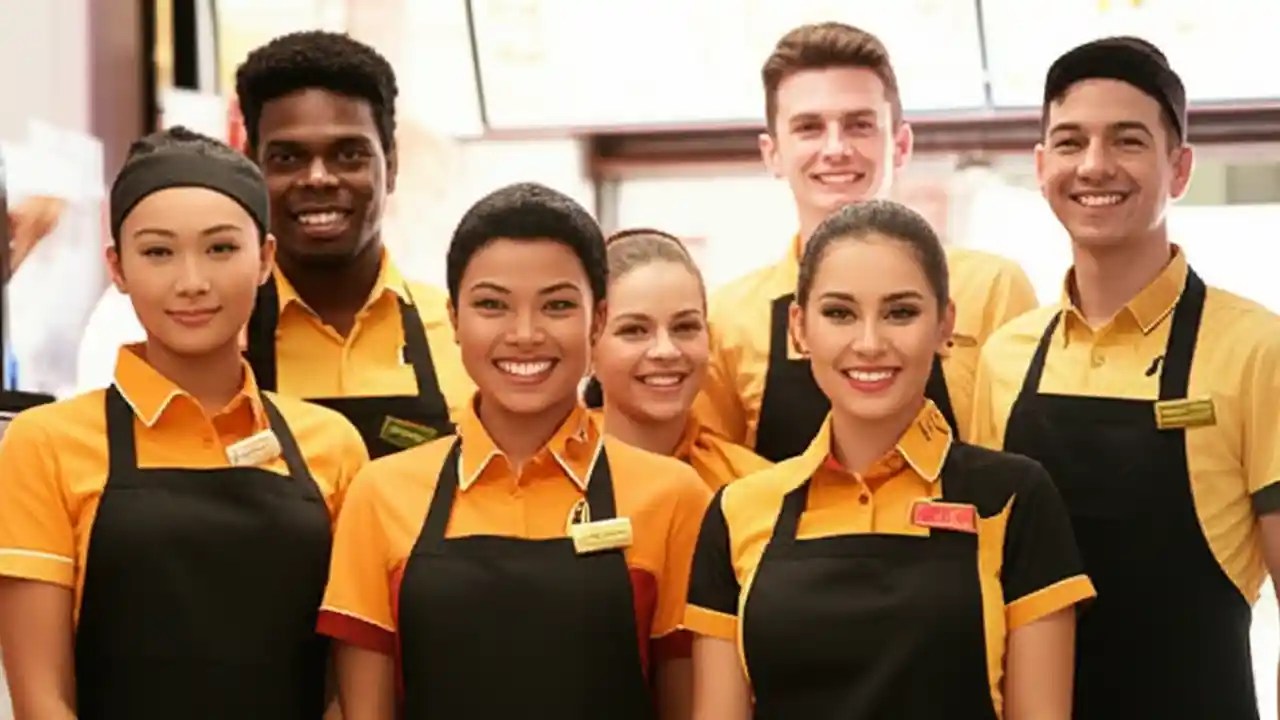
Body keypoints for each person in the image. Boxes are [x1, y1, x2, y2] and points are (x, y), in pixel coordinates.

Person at [0, 127, 368, 719]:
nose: (191, 281)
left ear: (266, 259)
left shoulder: (332, 446)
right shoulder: (44, 444)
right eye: (158, 252)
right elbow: (42, 700)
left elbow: (349, 692)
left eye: (221, 248)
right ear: (117, 268)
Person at [686, 199, 1095, 720]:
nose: (870, 343)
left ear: (945, 324)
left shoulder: (1014, 498)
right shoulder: (737, 510)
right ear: (799, 328)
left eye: (901, 312)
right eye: (839, 313)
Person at [969, 37, 1280, 720]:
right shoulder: (1005, 355)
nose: (1095, 165)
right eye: (1071, 141)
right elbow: (988, 584)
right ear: (1042, 164)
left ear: (1181, 167)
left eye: (1128, 141)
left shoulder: (1257, 347)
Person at [318, 183, 712, 719]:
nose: (525, 334)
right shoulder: (381, 495)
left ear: (596, 321)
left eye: (556, 305)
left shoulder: (673, 497)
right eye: (492, 305)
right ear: (453, 319)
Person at [696, 22, 1038, 462]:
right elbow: (714, 483)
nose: (836, 148)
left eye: (859, 125)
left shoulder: (991, 288)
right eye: (809, 127)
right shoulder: (728, 318)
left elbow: (1021, 465)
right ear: (772, 153)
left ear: (901, 144)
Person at [234, 30, 472, 459]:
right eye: (288, 158)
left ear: (391, 165)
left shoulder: (465, 337)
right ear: (251, 169)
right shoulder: (218, 337)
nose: (318, 178)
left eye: (349, 155)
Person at [586, 227, 771, 490]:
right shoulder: (546, 476)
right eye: (634, 330)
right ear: (588, 346)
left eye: (684, 327)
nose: (666, 350)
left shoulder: (758, 489)